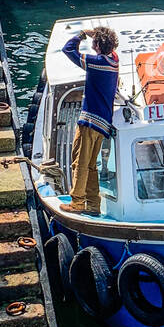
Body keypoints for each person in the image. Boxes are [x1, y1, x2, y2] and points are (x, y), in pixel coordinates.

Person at [60, 25, 120, 216]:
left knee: (80, 161)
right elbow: (110, 49)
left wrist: (81, 35)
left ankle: (77, 202)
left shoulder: (96, 62)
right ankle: (93, 203)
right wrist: (98, 36)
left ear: (97, 45)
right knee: (92, 165)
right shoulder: (113, 60)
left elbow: (68, 49)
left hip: (90, 120)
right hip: (103, 122)